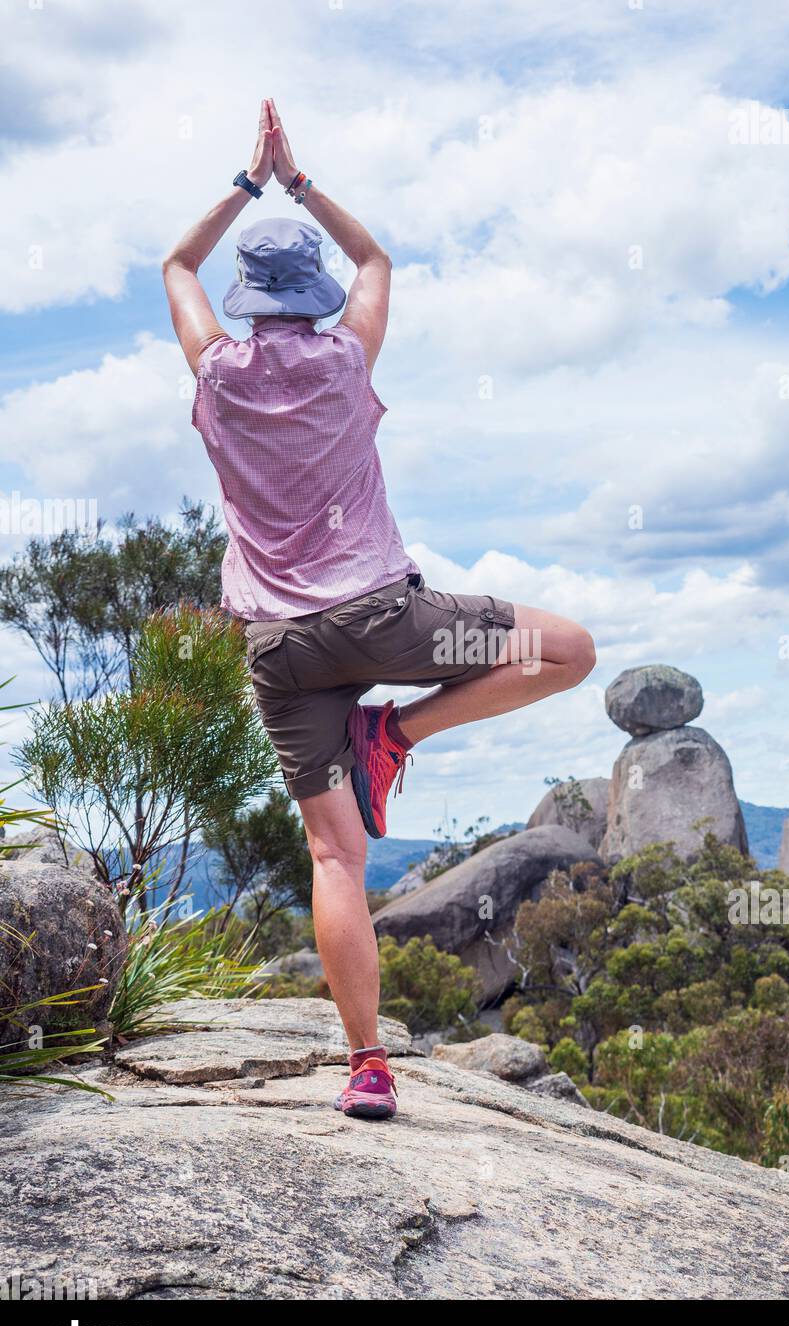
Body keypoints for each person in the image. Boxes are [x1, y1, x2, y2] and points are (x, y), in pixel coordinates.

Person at [163, 99, 595, 1119]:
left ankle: (367, 1065)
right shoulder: (347, 358)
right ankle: (394, 729)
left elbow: (177, 268)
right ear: (307, 293)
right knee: (568, 650)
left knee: (333, 857)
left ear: (248, 297)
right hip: (383, 620)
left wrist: (244, 181)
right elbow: (379, 262)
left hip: (276, 649)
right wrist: (297, 181)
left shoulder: (218, 374)